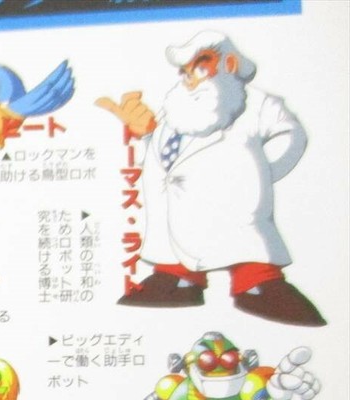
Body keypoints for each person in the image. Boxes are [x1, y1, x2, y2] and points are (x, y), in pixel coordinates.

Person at [97, 31, 323, 326]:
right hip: (175, 210)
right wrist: (146, 133)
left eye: (201, 66)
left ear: (229, 64)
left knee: (244, 248)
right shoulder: (177, 106)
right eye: (186, 71)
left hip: (234, 205)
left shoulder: (257, 104)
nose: (191, 77)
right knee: (177, 246)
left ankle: (256, 282)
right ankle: (178, 278)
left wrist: (263, 172)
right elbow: (162, 151)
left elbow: (292, 136)